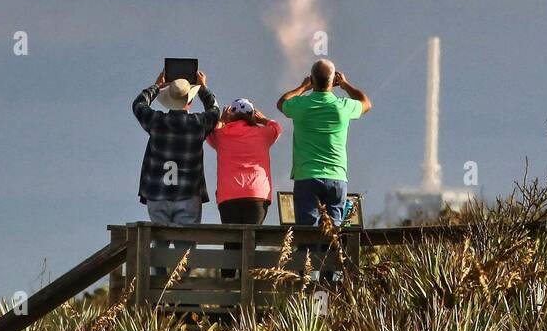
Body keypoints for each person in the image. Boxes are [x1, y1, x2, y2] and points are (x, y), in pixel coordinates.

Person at [276, 58, 371, 227]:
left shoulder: (301, 105)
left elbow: (282, 103)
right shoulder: (342, 107)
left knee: (306, 234)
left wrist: (303, 87)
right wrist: (345, 84)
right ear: (333, 80)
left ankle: (308, 253)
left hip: (306, 175)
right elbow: (366, 103)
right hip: (336, 176)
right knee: (332, 235)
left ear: (312, 79)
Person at [132, 68, 219, 229]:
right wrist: (203, 88)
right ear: (190, 100)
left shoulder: (156, 121)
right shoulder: (198, 123)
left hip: (157, 192)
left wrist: (156, 86)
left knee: (158, 246)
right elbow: (215, 111)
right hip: (188, 193)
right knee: (185, 248)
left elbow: (138, 104)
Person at [207, 98, 281, 277]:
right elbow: (277, 128)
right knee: (250, 244)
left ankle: (228, 295)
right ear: (252, 115)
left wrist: (222, 121)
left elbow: (210, 134)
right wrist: (263, 120)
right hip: (257, 196)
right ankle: (248, 294)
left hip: (229, 196)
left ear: (231, 114)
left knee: (231, 244)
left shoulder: (221, 134)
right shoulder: (263, 134)